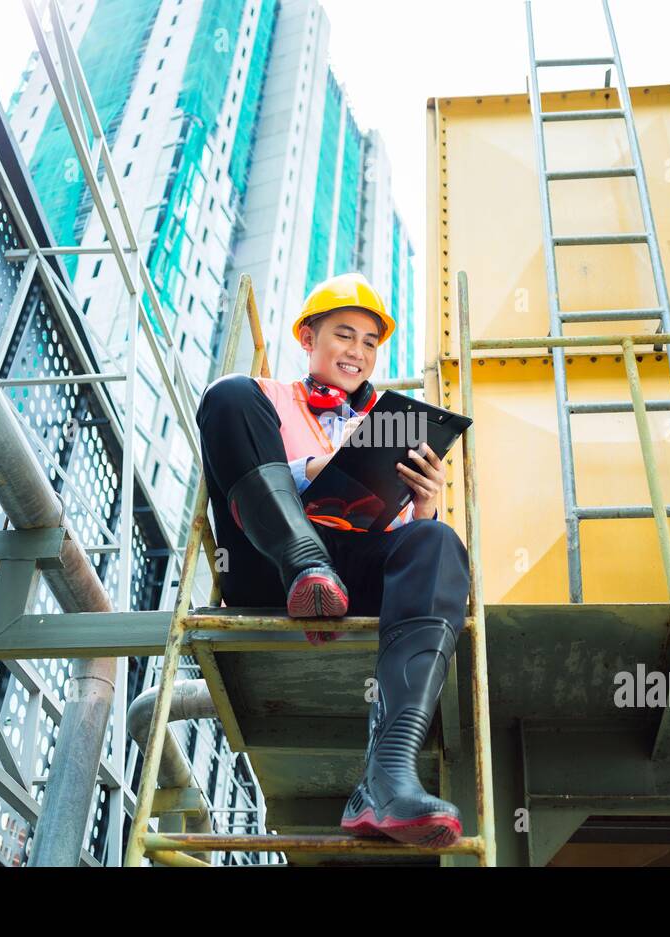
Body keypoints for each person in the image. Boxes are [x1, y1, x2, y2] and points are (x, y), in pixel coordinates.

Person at [194, 273, 470, 848]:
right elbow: (233, 457)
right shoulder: (264, 399)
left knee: (439, 544)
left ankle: (388, 777)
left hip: (352, 567)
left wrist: (424, 506)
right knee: (226, 392)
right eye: (344, 335)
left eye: (370, 342)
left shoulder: (389, 427)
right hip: (268, 561)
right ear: (307, 337)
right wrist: (309, 472)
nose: (358, 351)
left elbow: (403, 550)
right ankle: (306, 565)